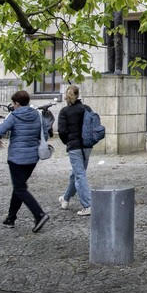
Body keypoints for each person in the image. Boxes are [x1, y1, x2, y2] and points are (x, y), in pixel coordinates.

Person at [0, 90, 49, 232]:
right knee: (19, 187)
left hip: (16, 159)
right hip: (32, 158)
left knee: (20, 188)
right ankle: (11, 218)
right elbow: (45, 134)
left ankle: (39, 214)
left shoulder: (14, 116)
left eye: (13, 103)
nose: (12, 106)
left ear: (17, 103)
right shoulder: (37, 115)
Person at [56, 85, 92, 216]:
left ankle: (88, 205)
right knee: (76, 173)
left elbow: (62, 132)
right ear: (78, 95)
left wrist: (68, 142)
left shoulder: (65, 111)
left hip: (74, 147)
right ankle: (65, 199)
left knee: (79, 175)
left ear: (66, 97)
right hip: (87, 146)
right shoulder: (86, 108)